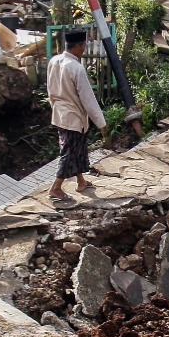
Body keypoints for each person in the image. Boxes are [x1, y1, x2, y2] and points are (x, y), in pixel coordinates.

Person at [45, 28, 106, 207]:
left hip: (59, 113)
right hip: (73, 116)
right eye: (84, 45)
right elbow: (87, 98)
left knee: (77, 149)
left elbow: (50, 89)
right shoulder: (76, 68)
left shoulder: (54, 61)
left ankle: (81, 181)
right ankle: (56, 188)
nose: (85, 48)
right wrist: (101, 123)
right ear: (79, 46)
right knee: (69, 152)